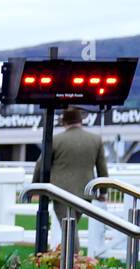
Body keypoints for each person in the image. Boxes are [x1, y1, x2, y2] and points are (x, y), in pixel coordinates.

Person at [32, 106, 110, 249]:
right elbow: (102, 169)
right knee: (71, 227)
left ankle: (74, 263)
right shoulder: (95, 140)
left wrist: (35, 186)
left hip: (60, 193)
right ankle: (69, 260)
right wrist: (103, 192)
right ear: (81, 120)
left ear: (64, 121)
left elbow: (40, 165)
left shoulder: (56, 140)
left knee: (69, 230)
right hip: (85, 193)